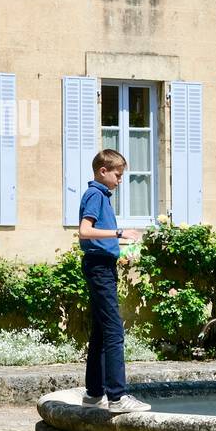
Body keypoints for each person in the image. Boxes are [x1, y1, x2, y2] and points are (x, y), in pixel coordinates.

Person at [77, 149, 151, 413]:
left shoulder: (100, 196)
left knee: (100, 331)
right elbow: (84, 232)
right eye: (117, 175)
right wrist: (119, 231)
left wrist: (121, 241)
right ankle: (118, 397)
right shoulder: (95, 195)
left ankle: (94, 393)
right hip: (99, 269)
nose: (120, 180)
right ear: (103, 171)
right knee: (113, 331)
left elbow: (95, 237)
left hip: (101, 265)